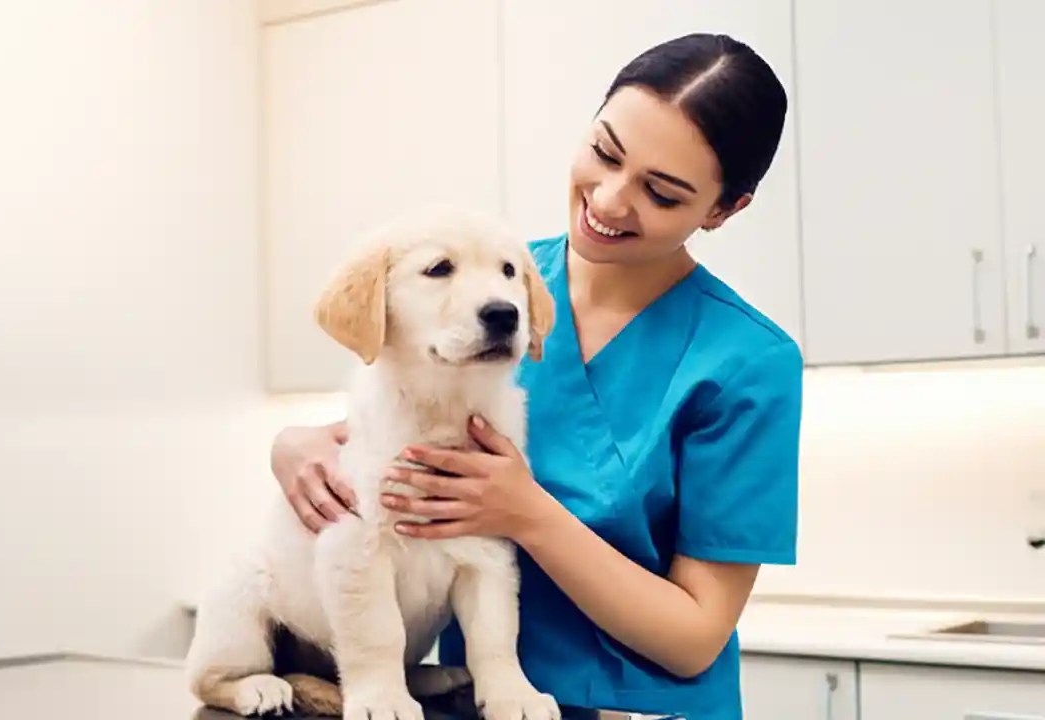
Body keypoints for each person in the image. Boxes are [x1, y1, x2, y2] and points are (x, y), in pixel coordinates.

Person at [268, 32, 802, 720]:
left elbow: (696, 638)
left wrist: (526, 514)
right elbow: (392, 435)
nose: (609, 201)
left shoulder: (747, 363)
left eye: (662, 193)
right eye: (604, 152)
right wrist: (297, 444)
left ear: (724, 209)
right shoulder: (499, 281)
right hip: (476, 701)